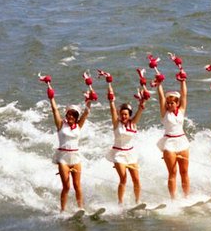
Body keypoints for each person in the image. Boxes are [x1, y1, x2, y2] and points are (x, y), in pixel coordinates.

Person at [44, 78, 92, 212]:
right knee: (66, 186)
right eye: (69, 114)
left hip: (75, 158)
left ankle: (80, 208)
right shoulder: (61, 125)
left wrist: (89, 99)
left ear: (76, 117)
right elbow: (54, 110)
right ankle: (63, 210)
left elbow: (86, 112)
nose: (70, 116)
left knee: (77, 186)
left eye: (73, 115)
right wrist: (50, 93)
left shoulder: (79, 125)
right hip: (63, 159)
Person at [103, 71, 148, 206]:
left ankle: (137, 201)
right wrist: (109, 83)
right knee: (123, 178)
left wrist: (143, 98)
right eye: (122, 114)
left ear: (129, 115)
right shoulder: (117, 123)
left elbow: (141, 109)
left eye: (126, 114)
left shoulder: (132, 123)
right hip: (118, 154)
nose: (123, 116)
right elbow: (112, 103)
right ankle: (120, 203)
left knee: (136, 180)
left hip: (130, 153)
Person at [155, 64, 190, 199]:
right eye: (168, 103)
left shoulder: (181, 111)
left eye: (172, 103)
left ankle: (187, 196)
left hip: (182, 142)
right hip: (169, 143)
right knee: (172, 172)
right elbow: (161, 97)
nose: (169, 105)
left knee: (184, 172)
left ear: (177, 104)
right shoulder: (164, 114)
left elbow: (184, 95)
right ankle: (173, 198)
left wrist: (182, 81)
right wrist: (159, 84)